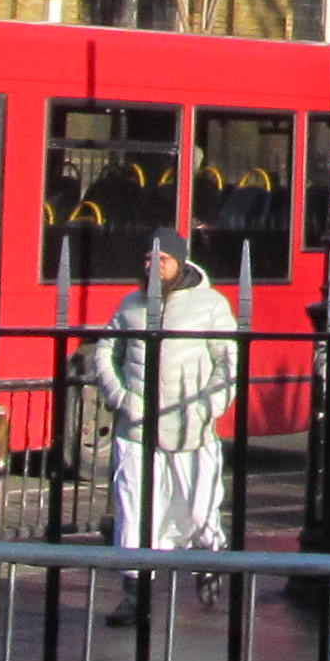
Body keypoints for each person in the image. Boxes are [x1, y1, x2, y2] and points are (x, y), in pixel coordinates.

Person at [93, 230, 241, 599]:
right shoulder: (129, 305)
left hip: (192, 428)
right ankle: (134, 590)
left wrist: (211, 406)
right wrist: (122, 399)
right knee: (134, 510)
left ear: (179, 262)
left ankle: (208, 564)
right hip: (137, 429)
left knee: (199, 507)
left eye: (161, 259)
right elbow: (105, 352)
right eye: (147, 259)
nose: (153, 266)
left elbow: (229, 362)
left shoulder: (211, 305)